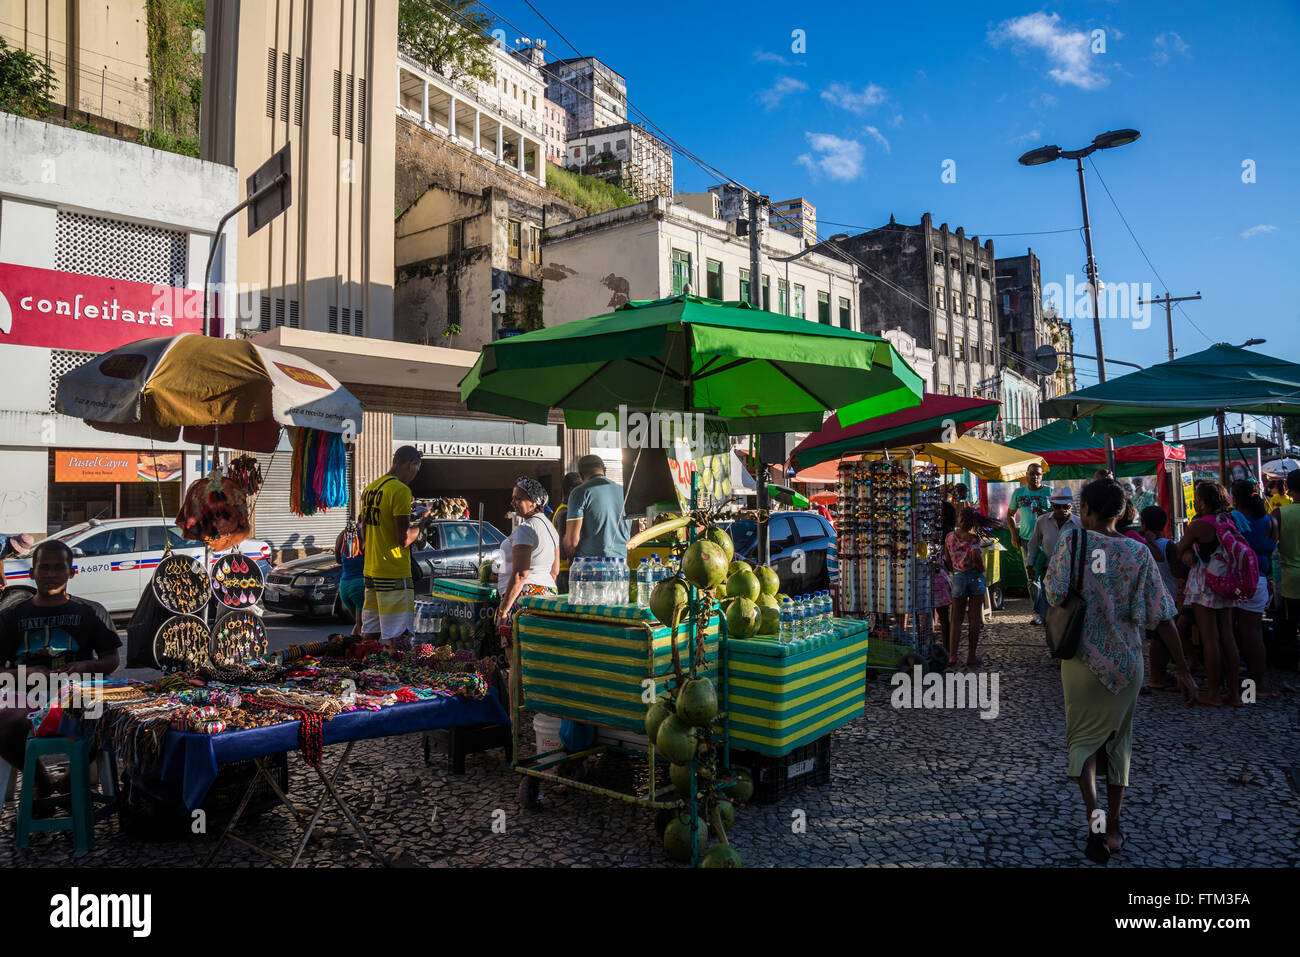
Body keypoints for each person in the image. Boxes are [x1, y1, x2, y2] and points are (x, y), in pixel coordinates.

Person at [1043, 479, 1196, 864]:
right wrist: (1183, 670)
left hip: (1080, 660)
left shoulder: (1072, 544)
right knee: (1118, 744)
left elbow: (1054, 593)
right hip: (1127, 664)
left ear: (1088, 510)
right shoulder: (1139, 553)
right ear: (1121, 512)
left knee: (1082, 743)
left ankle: (1093, 819)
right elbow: (1163, 617)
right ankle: (1113, 828)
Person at [0, 539, 121, 798]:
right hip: (24, 693)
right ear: (32, 573)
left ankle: (68, 783)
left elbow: (112, 660)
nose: (51, 574)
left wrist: (86, 665)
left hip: (77, 691)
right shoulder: (11, 616)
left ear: (71, 572)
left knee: (108, 717)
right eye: (44, 567)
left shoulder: (91, 611)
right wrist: (25, 675)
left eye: (59, 567)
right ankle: (42, 783)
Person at [1175, 481, 1242, 707]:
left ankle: (1213, 693)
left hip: (1205, 583)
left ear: (1202, 501)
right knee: (1228, 636)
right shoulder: (1230, 520)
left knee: (1209, 638)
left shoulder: (1199, 526)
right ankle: (1233, 693)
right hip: (1227, 581)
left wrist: (1186, 555)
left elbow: (1179, 550)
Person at [359, 446, 434, 647]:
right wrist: (422, 524)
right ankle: (397, 678)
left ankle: (366, 672)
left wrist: (410, 519)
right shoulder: (401, 490)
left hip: (371, 570)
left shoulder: (370, 489)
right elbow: (403, 539)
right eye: (416, 470)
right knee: (398, 637)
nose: (414, 476)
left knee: (371, 632)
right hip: (393, 573)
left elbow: (365, 534)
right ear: (411, 464)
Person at [496, 478, 560, 704]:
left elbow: (521, 574)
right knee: (537, 658)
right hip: (545, 596)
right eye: (513, 497)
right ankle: (537, 709)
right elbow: (554, 571)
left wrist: (503, 610)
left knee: (515, 662)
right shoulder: (550, 527)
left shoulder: (526, 528)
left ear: (534, 502)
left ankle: (514, 721)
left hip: (521, 599)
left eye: (519, 498)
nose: (513, 502)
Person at [1228, 480, 1275, 697]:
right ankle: (1258, 685)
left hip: (1236, 580)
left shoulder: (1233, 520)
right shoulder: (1270, 521)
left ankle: (1241, 687)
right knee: (1253, 634)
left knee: (1231, 633)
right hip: (1260, 581)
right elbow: (1271, 549)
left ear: (1235, 499)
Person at [945, 508, 992, 669]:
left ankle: (952, 656)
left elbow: (947, 560)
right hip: (974, 578)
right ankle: (971, 656)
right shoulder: (973, 539)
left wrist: (956, 570)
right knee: (974, 619)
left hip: (958, 577)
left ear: (959, 520)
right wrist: (981, 569)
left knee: (956, 620)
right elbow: (976, 556)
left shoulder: (950, 537)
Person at [1026, 488, 1080, 625]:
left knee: (1068, 606)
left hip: (1071, 571)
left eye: (1065, 506)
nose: (1061, 510)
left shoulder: (1080, 524)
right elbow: (1033, 544)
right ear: (1052, 506)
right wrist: (1030, 564)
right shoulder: (1042, 521)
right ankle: (1049, 629)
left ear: (1071, 506)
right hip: (1048, 568)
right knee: (1047, 603)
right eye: (1057, 506)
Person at [563, 454, 630, 564]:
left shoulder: (580, 492)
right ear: (605, 470)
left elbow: (571, 542)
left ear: (580, 475)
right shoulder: (625, 492)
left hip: (591, 568)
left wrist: (571, 560)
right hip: (621, 565)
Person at [1008, 463, 1052, 611]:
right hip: (1026, 540)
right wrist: (1014, 534)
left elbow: (1060, 514)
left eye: (1038, 474)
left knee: (1048, 573)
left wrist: (1045, 514)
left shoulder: (1049, 491)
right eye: (1032, 473)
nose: (1035, 477)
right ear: (1026, 474)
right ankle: (1038, 611)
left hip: (1047, 539)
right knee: (1032, 575)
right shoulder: (1019, 492)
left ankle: (1050, 609)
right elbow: (1010, 514)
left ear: (1042, 476)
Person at [1270, 469, 1300, 667]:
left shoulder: (1279, 513)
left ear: (1288, 487)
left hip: (1290, 580)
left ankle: (1291, 662)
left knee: (1289, 623)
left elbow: (1270, 545)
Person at [334, 522, 366, 638]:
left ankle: (350, 647)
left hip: (344, 586)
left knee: (358, 625)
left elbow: (338, 560)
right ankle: (360, 653)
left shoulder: (342, 535)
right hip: (359, 585)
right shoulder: (364, 535)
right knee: (362, 626)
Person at [552, 472, 582, 594]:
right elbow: (565, 549)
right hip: (566, 572)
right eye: (579, 488)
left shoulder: (561, 510)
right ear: (571, 490)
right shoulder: (566, 513)